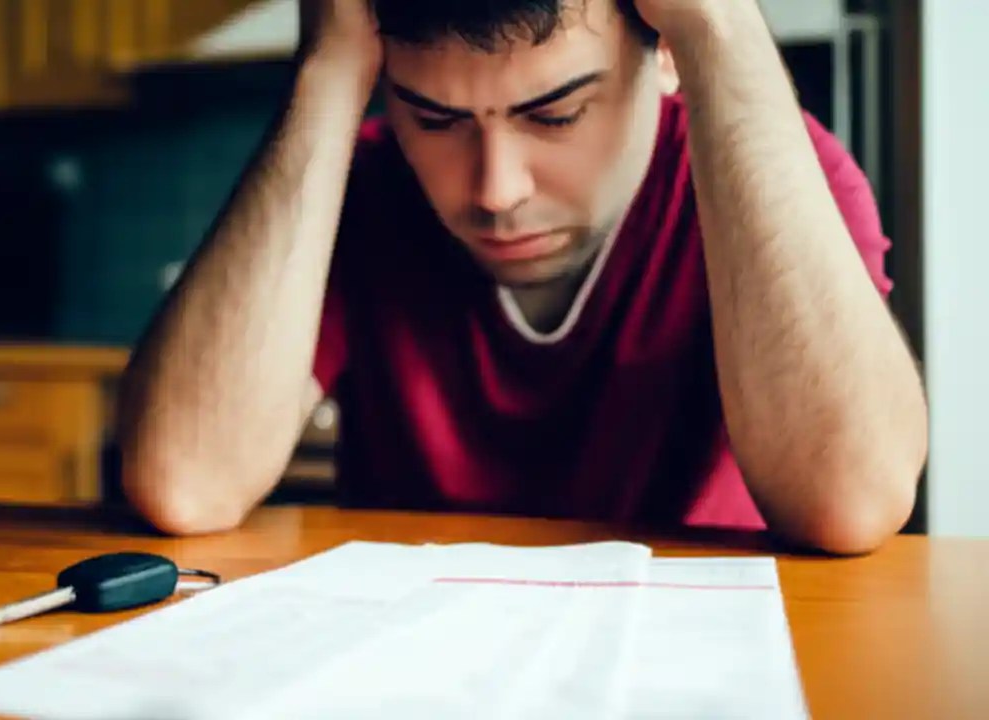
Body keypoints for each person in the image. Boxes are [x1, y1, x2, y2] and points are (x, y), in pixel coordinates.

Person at [117, 0, 929, 554]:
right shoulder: (359, 192)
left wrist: (721, 25)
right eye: (433, 119)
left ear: (666, 52)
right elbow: (184, 483)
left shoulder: (784, 186)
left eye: (556, 115)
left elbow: (851, 501)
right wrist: (326, 72)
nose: (496, 191)